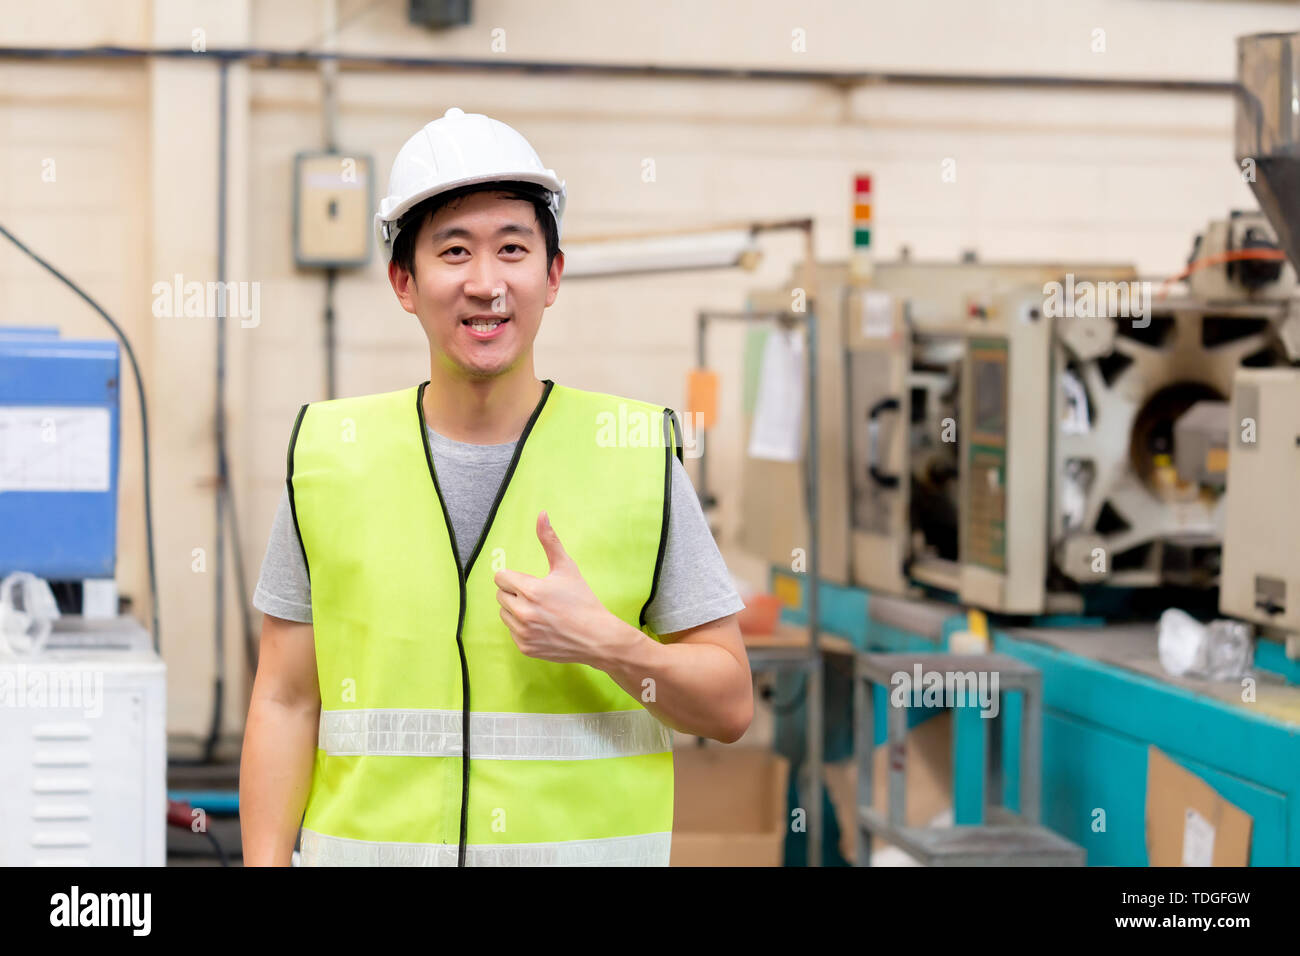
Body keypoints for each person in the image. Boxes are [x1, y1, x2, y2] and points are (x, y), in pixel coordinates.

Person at [240, 108, 752, 867]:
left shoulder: (636, 455)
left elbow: (731, 705)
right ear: (404, 282)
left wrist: (608, 644)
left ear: (552, 276)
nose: (486, 283)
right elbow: (286, 700)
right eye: (454, 251)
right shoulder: (331, 459)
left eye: (512, 249)